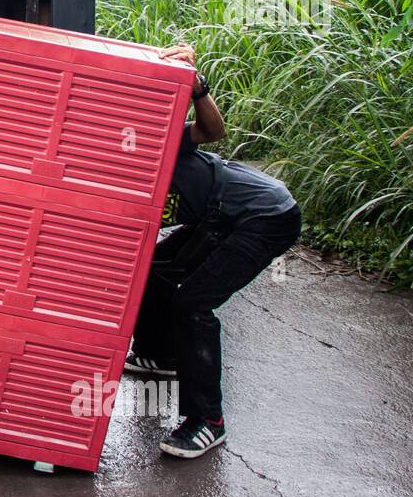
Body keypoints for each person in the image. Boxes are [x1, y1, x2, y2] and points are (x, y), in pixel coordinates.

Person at [126, 43, 302, 459]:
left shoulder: (152, 141)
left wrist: (198, 89)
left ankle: (207, 422)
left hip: (262, 215)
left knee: (192, 304)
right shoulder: (106, 173)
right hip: (211, 219)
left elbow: (212, 132)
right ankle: (160, 355)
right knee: (155, 270)